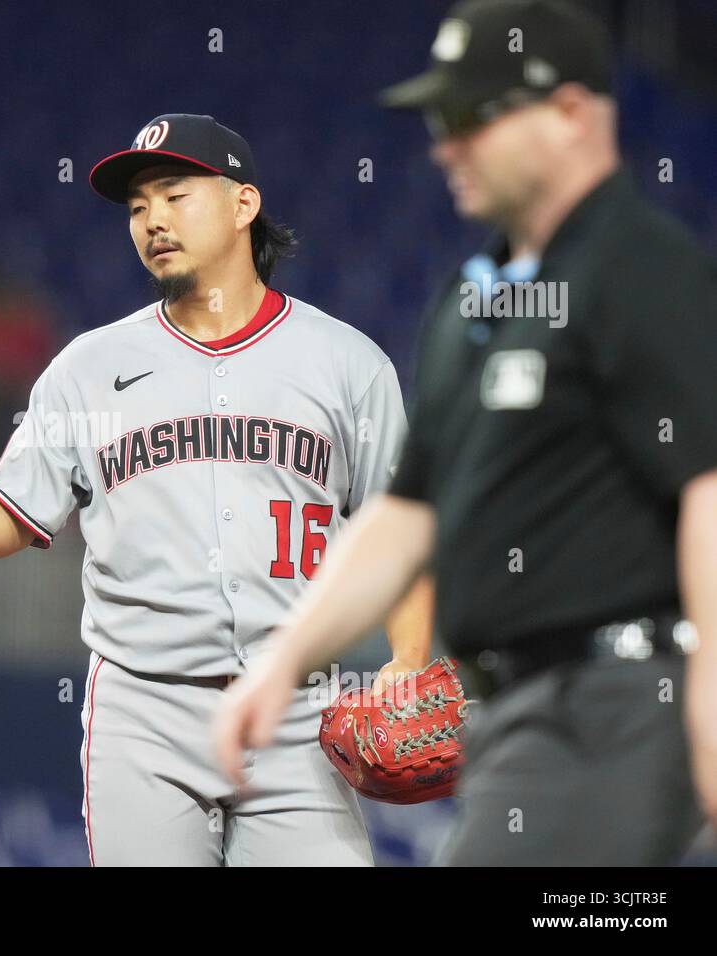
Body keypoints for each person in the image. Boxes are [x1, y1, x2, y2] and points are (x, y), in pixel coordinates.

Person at [0, 113, 434, 866]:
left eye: (175, 194)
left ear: (243, 205)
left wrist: (409, 657)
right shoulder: (87, 367)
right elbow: (5, 513)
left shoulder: (346, 364)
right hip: (143, 707)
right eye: (137, 206)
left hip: (298, 706)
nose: (152, 219)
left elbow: (399, 532)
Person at [217, 0, 717, 865]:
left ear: (569, 113)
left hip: (622, 707)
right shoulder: (473, 300)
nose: (445, 145)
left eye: (470, 117)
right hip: (521, 717)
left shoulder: (644, 271)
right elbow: (408, 514)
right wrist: (284, 660)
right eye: (437, 121)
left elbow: (708, 488)